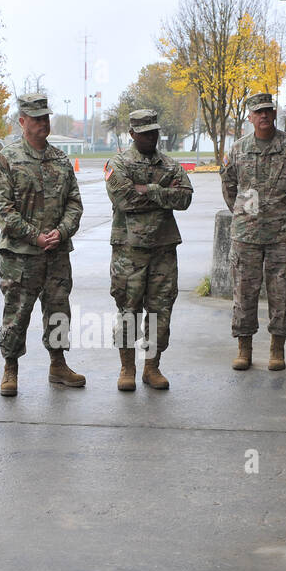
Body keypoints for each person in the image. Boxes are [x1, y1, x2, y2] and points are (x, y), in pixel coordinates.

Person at [0, 93, 86, 396]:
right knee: (16, 314)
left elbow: (74, 202)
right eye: (36, 119)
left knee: (58, 311)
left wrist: (62, 231)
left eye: (46, 117)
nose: (43, 123)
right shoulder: (7, 159)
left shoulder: (59, 159)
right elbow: (2, 209)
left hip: (56, 254)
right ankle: (10, 369)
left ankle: (58, 365)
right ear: (22, 122)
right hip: (21, 256)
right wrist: (34, 235)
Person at [221, 92, 286, 374]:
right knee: (243, 292)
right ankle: (244, 348)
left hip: (282, 235)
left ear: (274, 114)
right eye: (258, 112)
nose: (263, 116)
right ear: (250, 118)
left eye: (268, 111)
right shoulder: (238, 149)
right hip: (246, 235)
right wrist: (245, 213)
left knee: (281, 291)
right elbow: (229, 187)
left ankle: (277, 347)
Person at [104, 109, 193, 391]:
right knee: (128, 309)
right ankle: (127, 368)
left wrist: (149, 189)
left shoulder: (170, 164)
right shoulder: (118, 163)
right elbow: (125, 199)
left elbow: (185, 198)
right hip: (129, 251)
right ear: (132, 134)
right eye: (144, 133)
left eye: (154, 131)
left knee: (160, 309)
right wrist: (162, 194)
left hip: (163, 249)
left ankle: (151, 367)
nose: (151, 137)